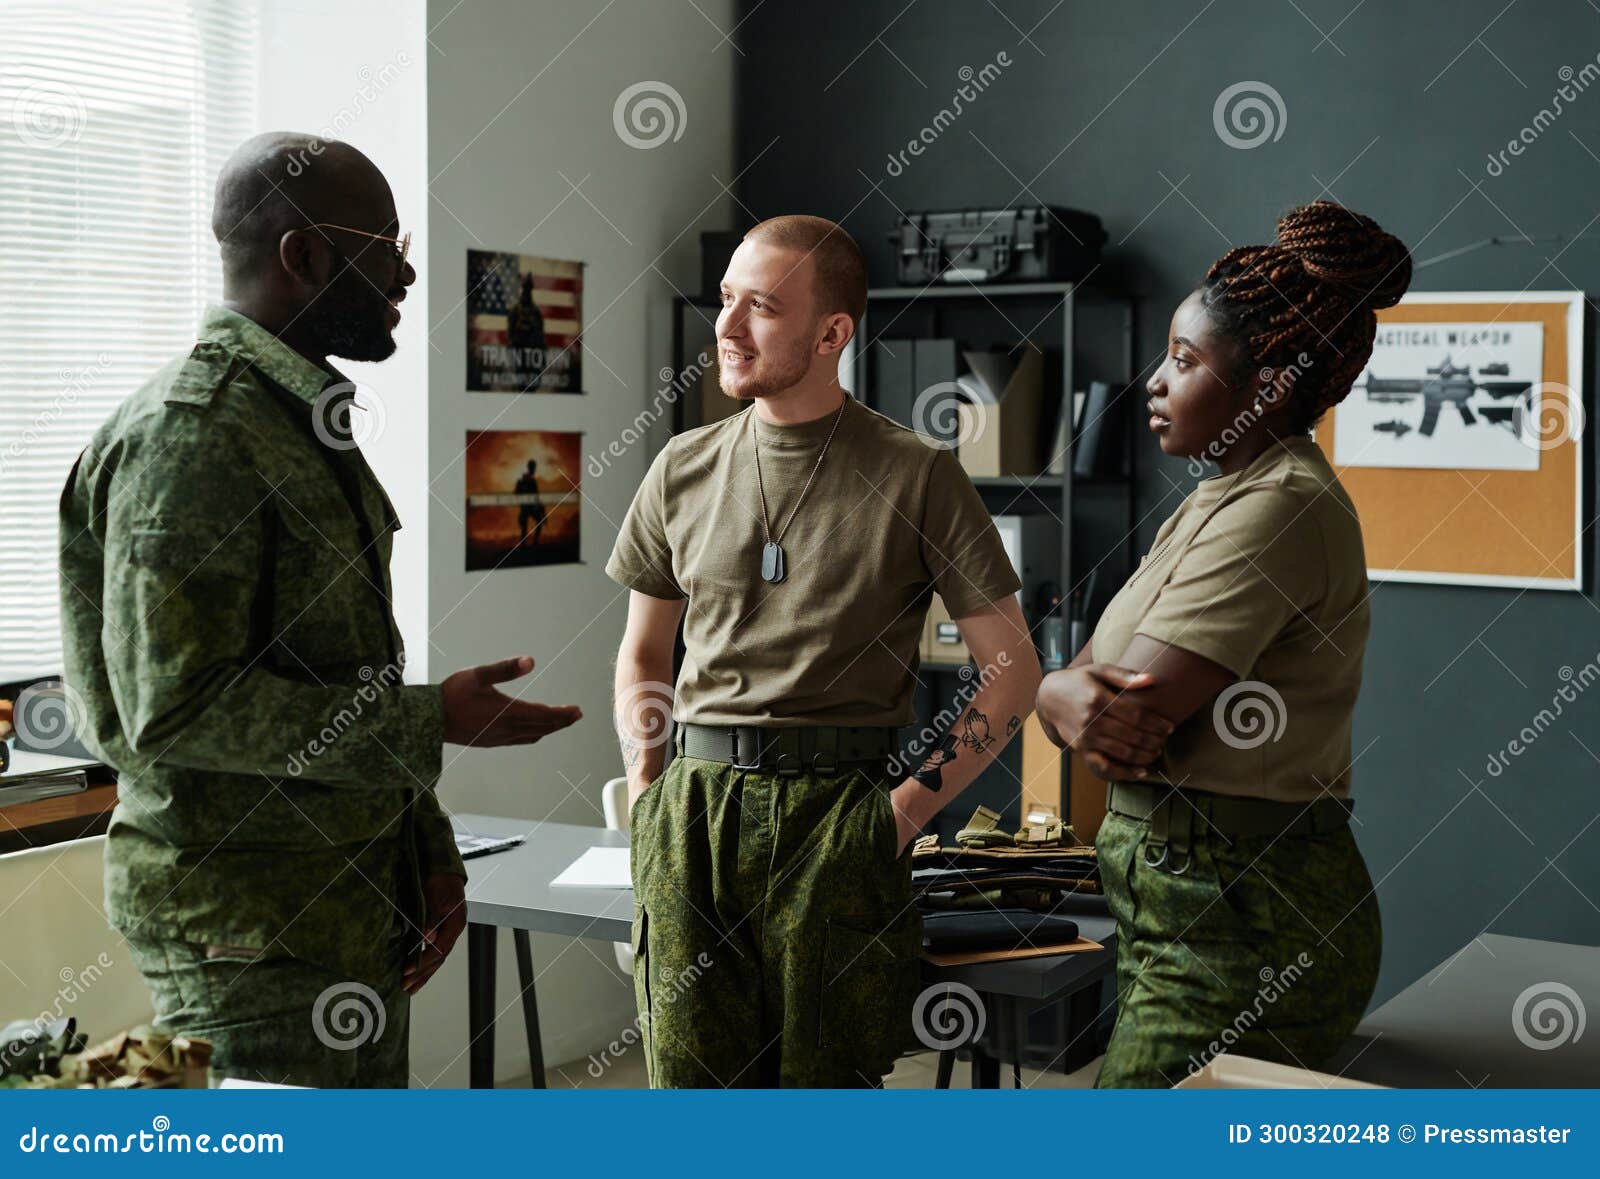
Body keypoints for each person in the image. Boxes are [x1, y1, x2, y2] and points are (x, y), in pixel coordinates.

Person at [57, 132, 582, 1088]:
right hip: (250, 938)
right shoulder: (198, 432)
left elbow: (337, 677)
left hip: (347, 911)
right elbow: (171, 708)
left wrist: (424, 851)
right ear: (303, 255)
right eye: (388, 243)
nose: (409, 270)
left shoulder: (293, 421)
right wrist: (436, 718)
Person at [607, 215, 1042, 1087]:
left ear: (832, 333)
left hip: (839, 815)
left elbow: (1015, 670)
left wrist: (904, 814)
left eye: (760, 307)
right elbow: (644, 655)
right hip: (692, 814)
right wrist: (652, 794)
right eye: (726, 299)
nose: (726, 328)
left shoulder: (918, 472)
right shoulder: (681, 467)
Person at [1035, 201, 1411, 1087]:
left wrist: (1065, 695)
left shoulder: (1283, 505)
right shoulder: (1219, 495)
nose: (1153, 382)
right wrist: (1058, 692)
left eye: (1185, 359)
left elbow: (1126, 719)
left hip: (1244, 924)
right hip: (1182, 912)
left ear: (1272, 385)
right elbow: (1082, 687)